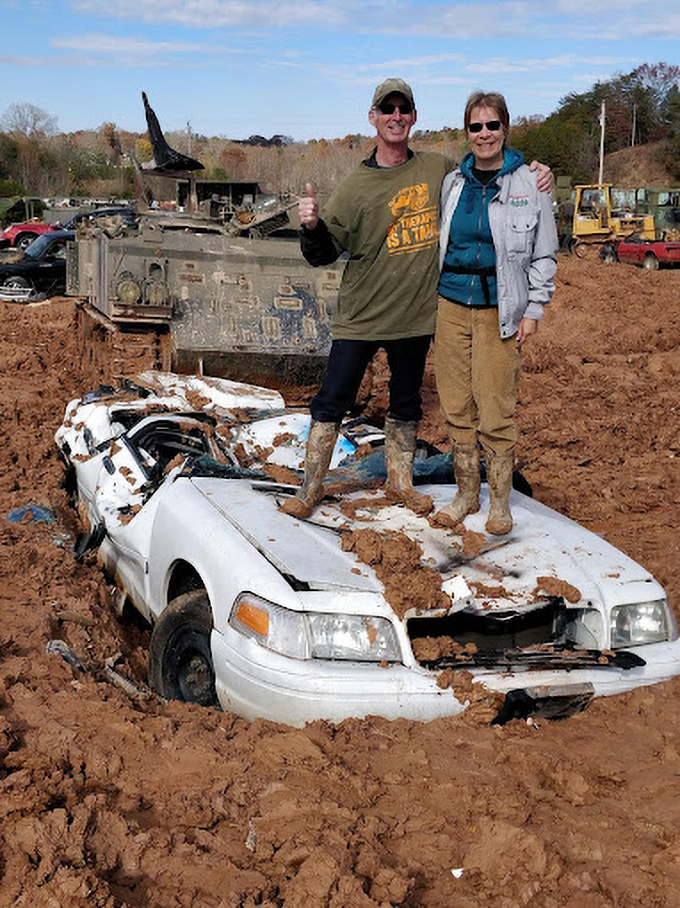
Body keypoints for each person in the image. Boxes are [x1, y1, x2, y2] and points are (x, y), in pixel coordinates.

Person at [281, 79, 552, 520]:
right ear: (373, 118)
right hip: (362, 316)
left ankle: (401, 484)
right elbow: (323, 253)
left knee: (406, 402)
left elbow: (489, 169)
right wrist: (311, 226)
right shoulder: (356, 186)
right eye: (387, 109)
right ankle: (309, 489)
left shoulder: (438, 168)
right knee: (332, 400)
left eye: (403, 109)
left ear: (413, 117)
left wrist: (537, 172)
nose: (396, 116)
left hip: (417, 316)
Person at [434, 90, 558, 536]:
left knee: (495, 408)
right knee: (456, 405)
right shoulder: (453, 184)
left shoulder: (530, 183)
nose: (484, 134)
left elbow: (545, 253)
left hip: (499, 311)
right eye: (476, 126)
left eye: (492, 125)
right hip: (450, 307)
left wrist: (534, 308)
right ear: (467, 132)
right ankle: (466, 495)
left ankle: (500, 503)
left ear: (505, 128)